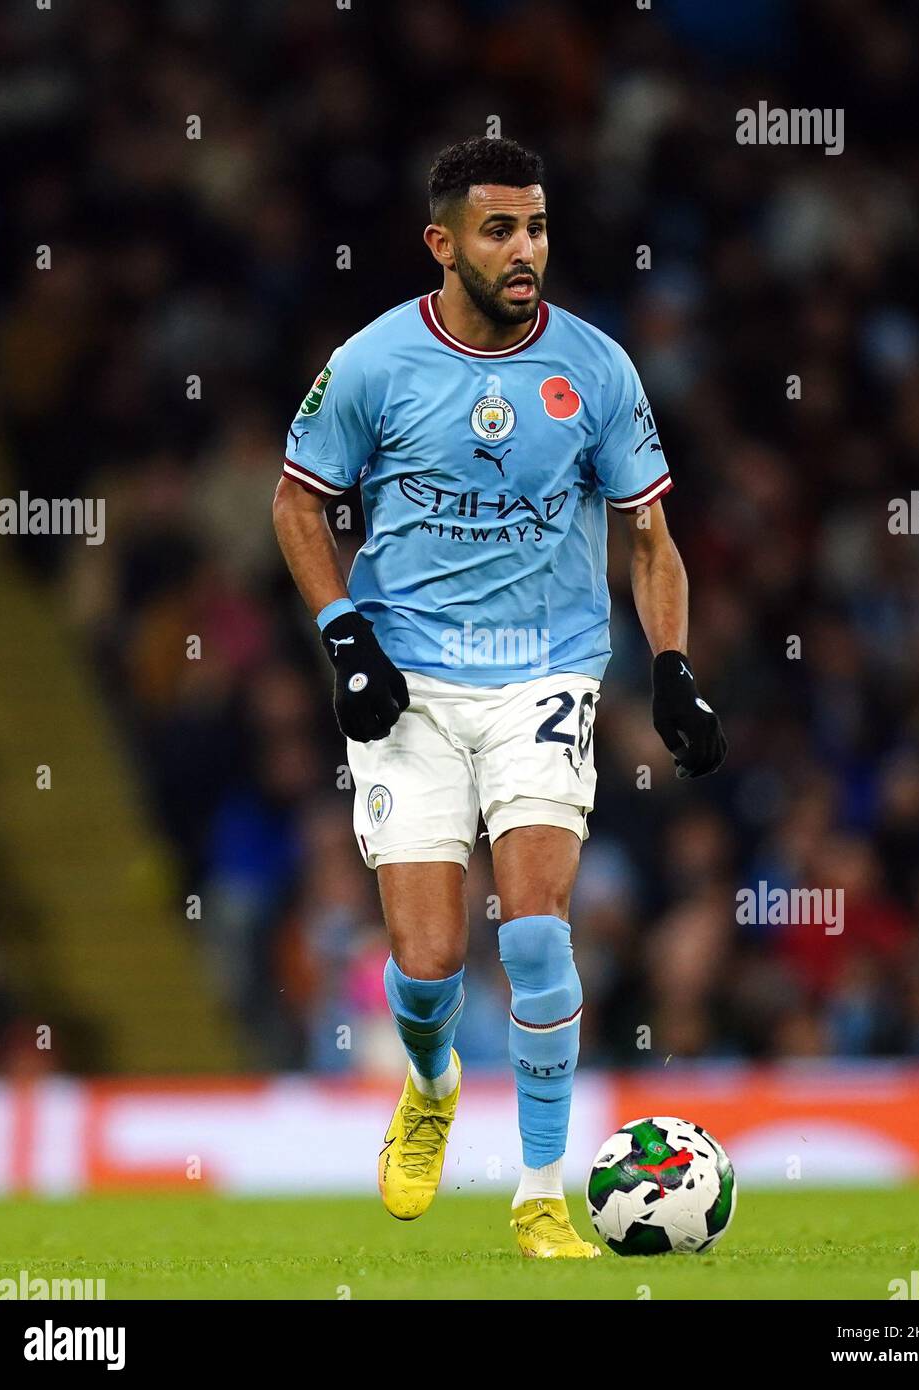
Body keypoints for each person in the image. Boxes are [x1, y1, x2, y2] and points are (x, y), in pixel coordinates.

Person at [273, 136, 726, 1258]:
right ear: (442, 243)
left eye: (534, 227)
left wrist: (671, 667)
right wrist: (346, 639)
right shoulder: (373, 365)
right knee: (427, 961)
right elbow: (295, 505)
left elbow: (649, 534)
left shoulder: (596, 369)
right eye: (497, 230)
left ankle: (538, 1193)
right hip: (412, 684)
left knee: (534, 931)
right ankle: (430, 1087)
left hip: (544, 672)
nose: (525, 251)